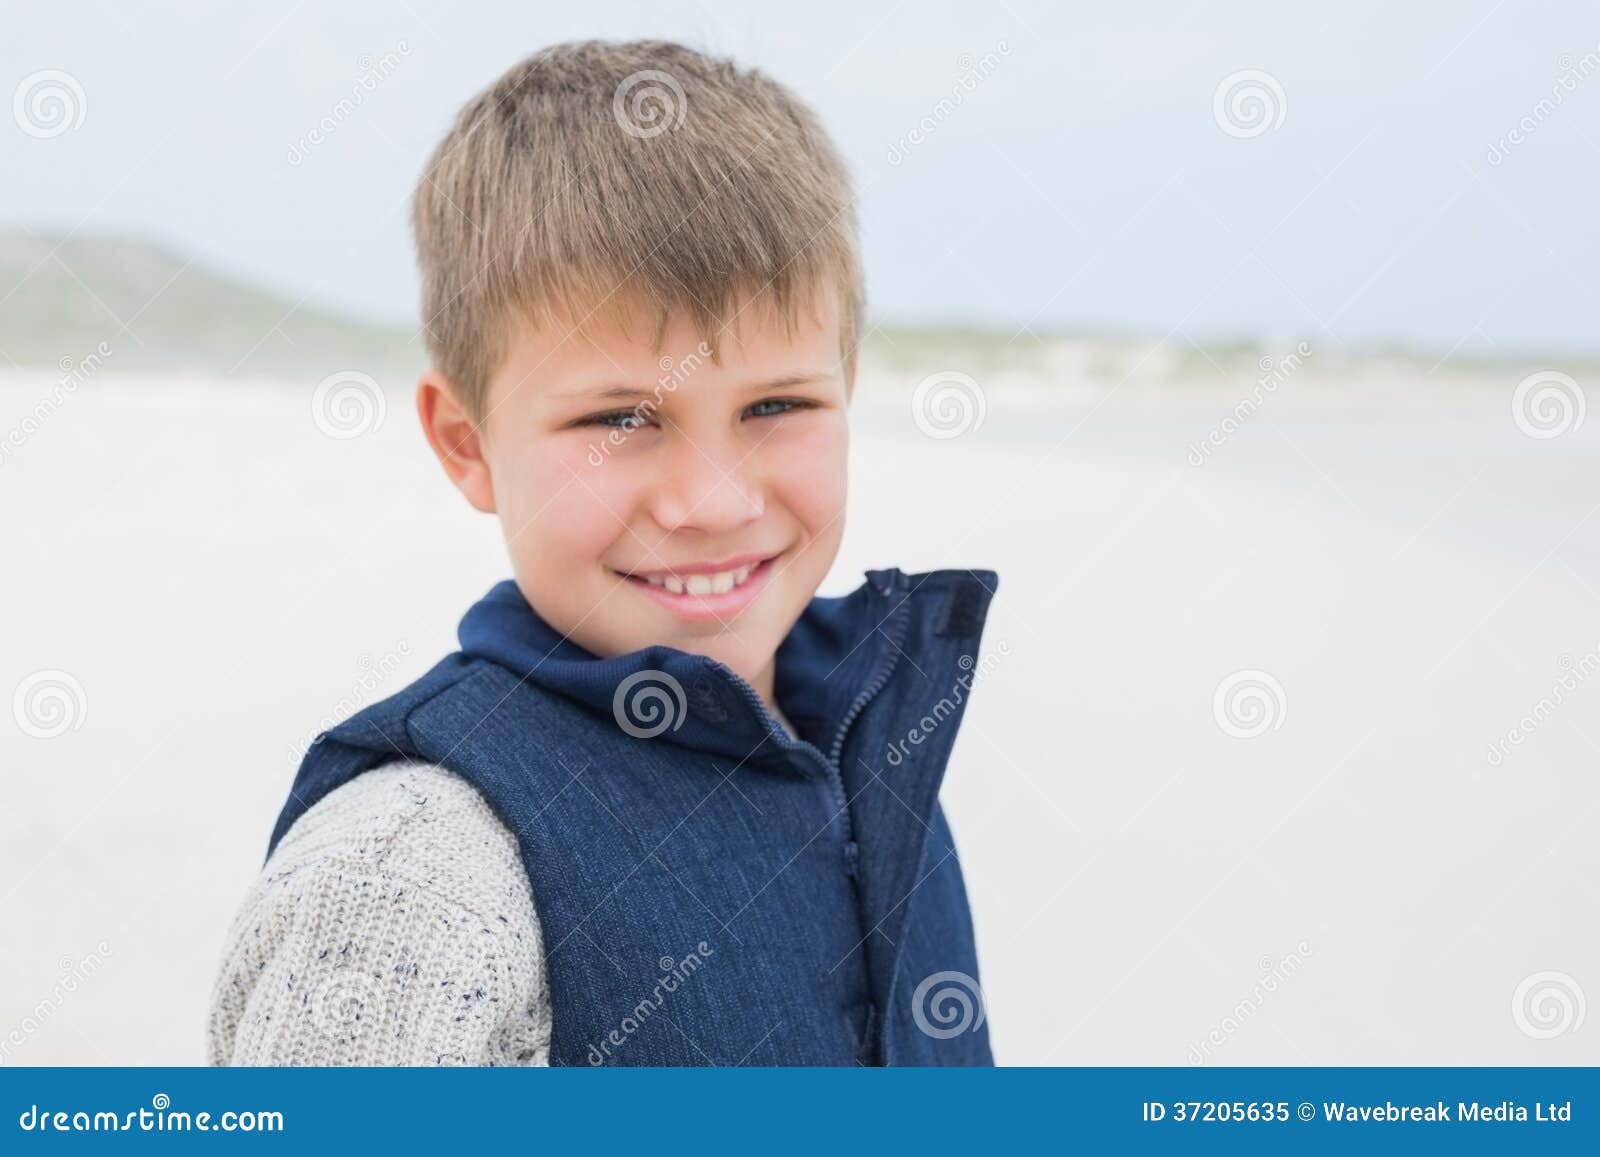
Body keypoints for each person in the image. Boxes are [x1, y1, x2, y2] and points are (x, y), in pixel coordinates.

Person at [208, 38, 998, 1067]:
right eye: (621, 418)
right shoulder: (413, 871)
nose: (712, 502)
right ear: (465, 441)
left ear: (846, 384)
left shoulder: (873, 758)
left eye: (776, 404)